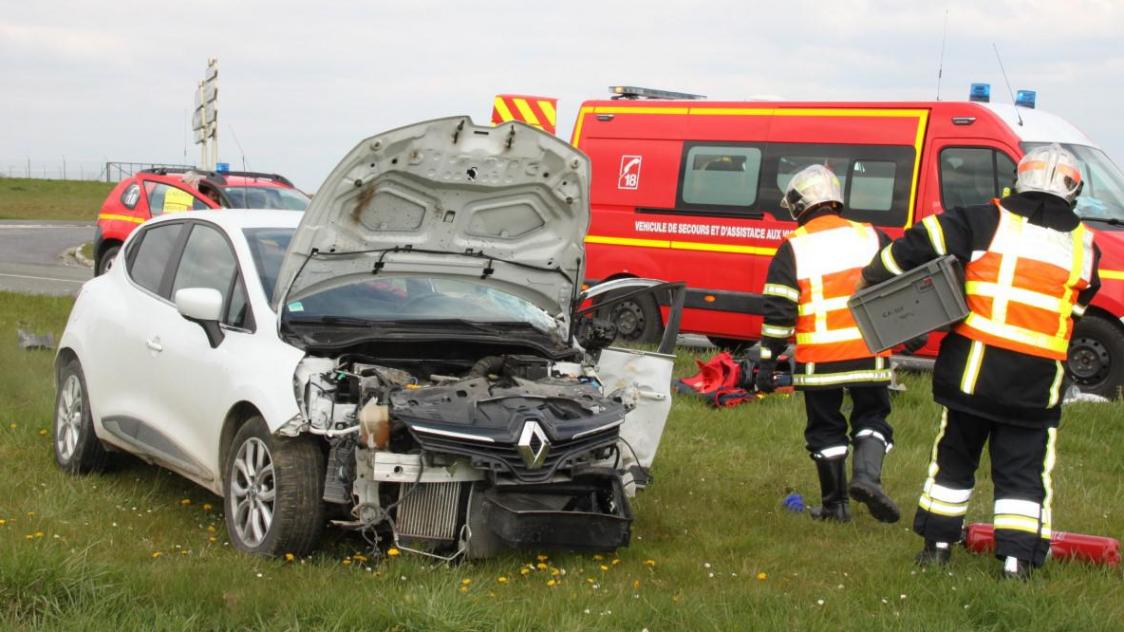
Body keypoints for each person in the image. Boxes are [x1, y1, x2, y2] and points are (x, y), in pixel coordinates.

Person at [859, 143, 1101, 579]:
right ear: (1074, 192)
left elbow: (915, 245)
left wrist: (879, 273)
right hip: (1035, 385)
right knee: (1025, 475)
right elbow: (1077, 309)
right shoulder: (1085, 246)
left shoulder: (981, 219)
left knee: (954, 459)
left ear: (1017, 181)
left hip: (974, 373)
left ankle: (936, 548)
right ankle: (1015, 563)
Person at [757, 164, 900, 524]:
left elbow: (779, 314)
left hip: (819, 362)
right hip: (870, 353)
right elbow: (903, 287)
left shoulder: (793, 248)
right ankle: (867, 478)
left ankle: (835, 507)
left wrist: (765, 363)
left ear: (799, 205)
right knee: (872, 418)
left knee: (826, 431)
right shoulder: (872, 236)